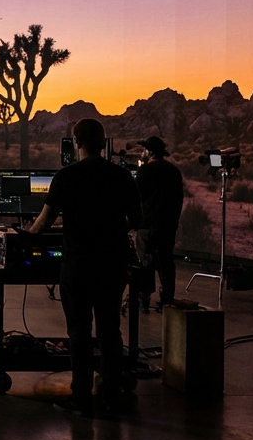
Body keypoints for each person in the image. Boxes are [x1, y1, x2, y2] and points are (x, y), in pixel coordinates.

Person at [29, 118, 143, 416]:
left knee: (78, 331)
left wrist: (24, 235)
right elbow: (138, 219)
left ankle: (81, 397)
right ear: (103, 142)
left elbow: (42, 224)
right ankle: (111, 394)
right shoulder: (121, 177)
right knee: (110, 330)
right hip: (112, 263)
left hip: (78, 265)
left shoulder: (66, 177)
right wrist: (116, 230)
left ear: (76, 142)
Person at [134, 136, 183, 310]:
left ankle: (144, 299)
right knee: (166, 261)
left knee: (145, 261)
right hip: (168, 226)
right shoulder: (174, 171)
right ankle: (167, 299)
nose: (143, 152)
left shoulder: (145, 171)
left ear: (150, 152)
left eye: (145, 149)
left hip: (147, 225)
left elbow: (137, 196)